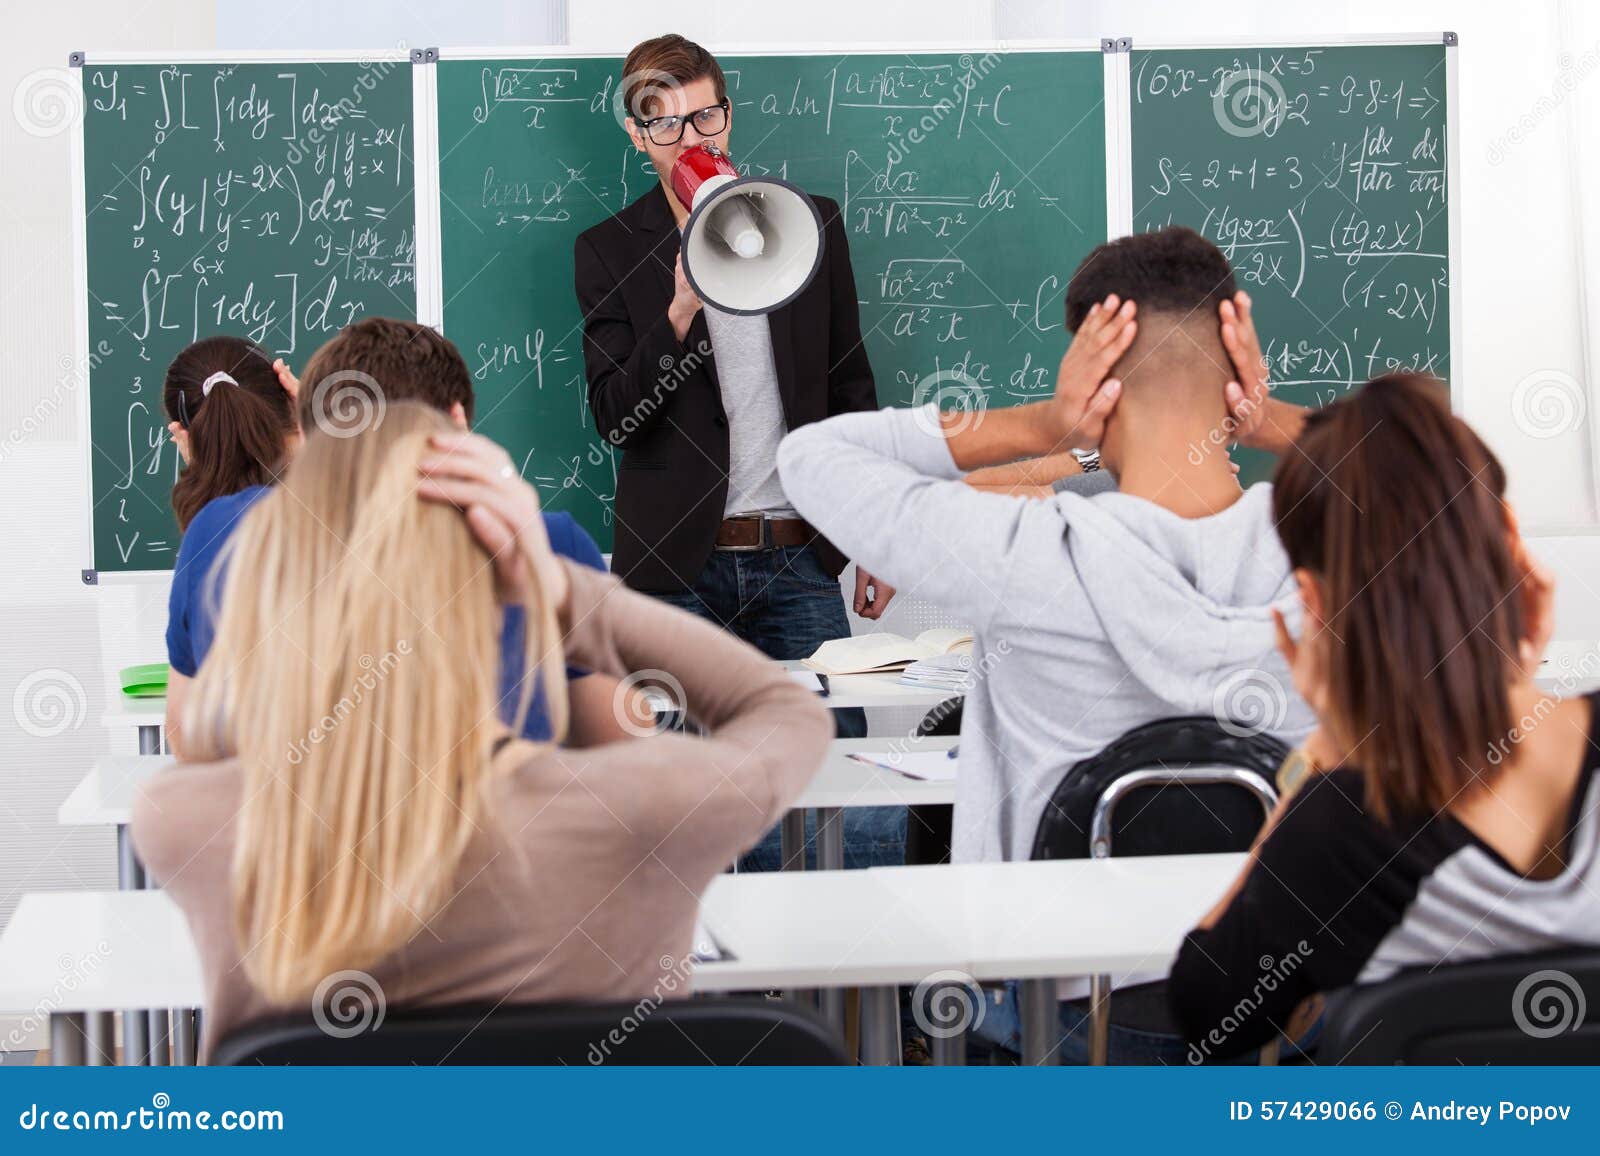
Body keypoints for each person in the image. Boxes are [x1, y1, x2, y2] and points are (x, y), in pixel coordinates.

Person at [132, 403, 833, 1060]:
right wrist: (560, 587)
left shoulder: (190, 825)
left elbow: (205, 729)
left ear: (279, 583)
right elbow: (785, 710)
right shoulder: (645, 808)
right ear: (495, 596)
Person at [777, 226, 1316, 1060]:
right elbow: (1457, 476)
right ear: (1236, 369)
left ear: (1096, 385)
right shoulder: (1332, 556)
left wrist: (1044, 422)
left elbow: (810, 454)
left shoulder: (1024, 555)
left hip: (1055, 1021)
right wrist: (1268, 418)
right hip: (1280, 1018)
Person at [1168, 374, 1600, 1062]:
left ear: (1312, 601)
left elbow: (1206, 1018)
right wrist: (1514, 675)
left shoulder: (1336, 835)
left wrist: (1329, 750)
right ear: (1511, 538)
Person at [575, 33, 902, 867]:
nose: (692, 139)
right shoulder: (608, 249)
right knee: (690, 824)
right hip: (676, 578)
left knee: (849, 812)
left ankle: (849, 956)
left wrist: (872, 527)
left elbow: (849, 386)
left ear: (729, 113)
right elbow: (616, 417)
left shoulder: (807, 223)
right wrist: (679, 312)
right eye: (667, 124)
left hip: (797, 561)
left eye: (706, 116)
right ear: (637, 135)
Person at [162, 318, 630, 754]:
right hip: (514, 814)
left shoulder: (221, 534)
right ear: (456, 418)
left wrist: (256, 456)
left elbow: (192, 743)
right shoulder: (546, 543)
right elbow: (622, 740)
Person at [162, 336, 302, 753]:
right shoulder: (359, 504)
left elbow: (184, 733)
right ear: (292, 406)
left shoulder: (209, 533)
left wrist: (208, 473)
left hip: (255, 786)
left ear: (186, 435)